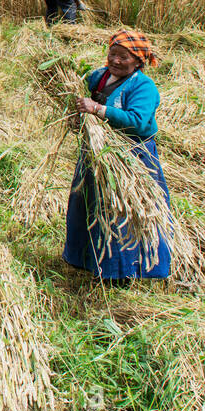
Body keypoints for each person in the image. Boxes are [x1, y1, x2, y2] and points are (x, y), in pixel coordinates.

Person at [62, 29, 172, 281]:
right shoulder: (98, 77)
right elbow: (81, 102)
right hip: (97, 152)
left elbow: (139, 122)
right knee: (88, 203)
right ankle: (84, 259)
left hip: (131, 157)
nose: (116, 61)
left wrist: (99, 109)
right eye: (113, 54)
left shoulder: (144, 87)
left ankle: (129, 270)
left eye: (124, 57)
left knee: (122, 210)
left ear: (138, 61)